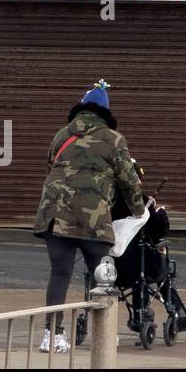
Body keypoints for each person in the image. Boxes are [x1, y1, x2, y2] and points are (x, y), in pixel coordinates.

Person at [32, 79, 145, 353]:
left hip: (54, 215)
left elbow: (50, 166)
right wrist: (139, 211)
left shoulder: (61, 135)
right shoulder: (114, 140)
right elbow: (129, 181)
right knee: (103, 275)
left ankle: (52, 335)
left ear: (81, 109)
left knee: (59, 273)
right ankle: (101, 335)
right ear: (105, 113)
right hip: (92, 218)